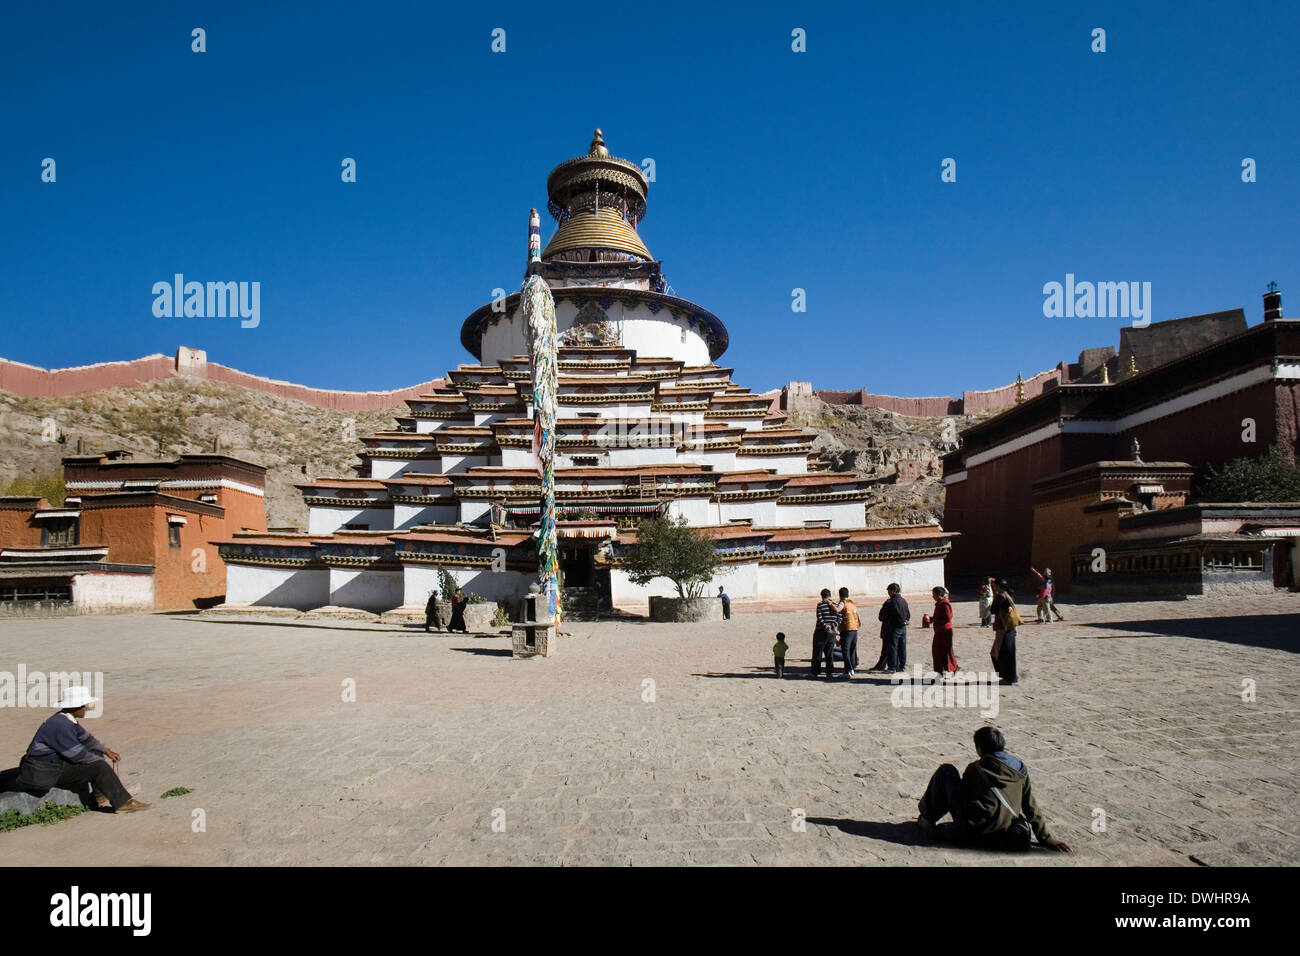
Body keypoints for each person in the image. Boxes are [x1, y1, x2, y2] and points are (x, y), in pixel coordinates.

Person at [917, 726, 1071, 853]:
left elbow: (962, 797)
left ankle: (927, 818)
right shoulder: (1020, 768)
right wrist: (1046, 838)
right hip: (1005, 829)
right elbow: (1030, 806)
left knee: (947, 770)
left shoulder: (976, 768)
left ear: (980, 748)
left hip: (975, 828)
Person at [13, 687, 150, 813]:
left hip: (53, 764)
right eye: (84, 706)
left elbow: (87, 740)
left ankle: (101, 797)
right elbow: (77, 755)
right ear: (75, 707)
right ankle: (122, 803)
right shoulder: (61, 725)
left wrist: (107, 751)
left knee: (96, 754)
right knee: (99, 766)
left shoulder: (66, 719)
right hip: (44, 771)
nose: (86, 709)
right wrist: (102, 763)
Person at [871, 583, 910, 673]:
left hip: (892, 627)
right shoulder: (903, 601)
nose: (888, 593)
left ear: (893, 591)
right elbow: (908, 614)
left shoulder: (890, 602)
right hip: (903, 627)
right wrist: (905, 621)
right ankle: (901, 666)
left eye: (889, 591)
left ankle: (892, 667)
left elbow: (881, 617)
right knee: (902, 647)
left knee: (892, 647)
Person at [989, 579, 1019, 685]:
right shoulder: (1007, 594)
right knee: (1008, 653)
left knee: (1001, 654)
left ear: (998, 586)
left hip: (1003, 629)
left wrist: (994, 594)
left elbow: (993, 609)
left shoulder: (1001, 597)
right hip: (1009, 628)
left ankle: (1007, 677)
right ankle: (1012, 676)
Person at [810, 588, 841, 678]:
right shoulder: (835, 605)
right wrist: (832, 626)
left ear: (822, 596)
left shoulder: (820, 605)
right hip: (831, 633)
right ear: (830, 596)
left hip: (820, 632)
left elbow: (819, 617)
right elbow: (840, 618)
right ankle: (829, 672)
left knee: (817, 653)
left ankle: (816, 672)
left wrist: (826, 626)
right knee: (829, 653)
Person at [931, 586, 956, 679]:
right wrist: (932, 619)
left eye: (933, 594)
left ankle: (949, 669)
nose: (933, 596)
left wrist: (935, 619)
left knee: (943, 651)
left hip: (944, 631)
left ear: (938, 595)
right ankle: (943, 670)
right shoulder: (940, 603)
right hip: (940, 630)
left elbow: (948, 617)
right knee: (938, 651)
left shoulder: (945, 604)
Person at [836, 587, 859, 679]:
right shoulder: (852, 603)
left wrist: (830, 604)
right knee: (852, 649)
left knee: (845, 650)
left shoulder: (843, 602)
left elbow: (838, 610)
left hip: (847, 629)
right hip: (855, 628)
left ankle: (848, 669)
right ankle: (853, 667)